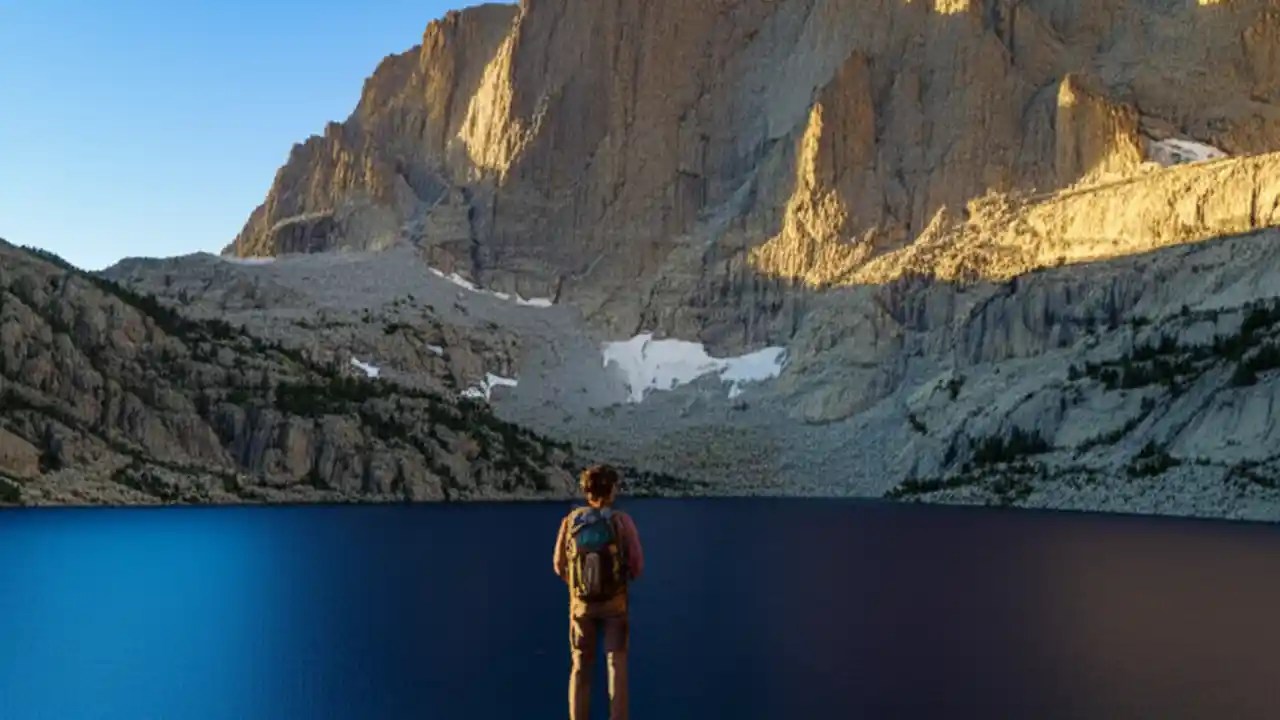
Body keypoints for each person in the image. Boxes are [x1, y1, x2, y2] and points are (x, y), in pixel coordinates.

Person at [553, 464, 644, 720]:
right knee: (616, 664)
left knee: (581, 666)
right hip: (615, 604)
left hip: (581, 606)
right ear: (612, 490)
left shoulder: (570, 521)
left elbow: (558, 565)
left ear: (587, 491)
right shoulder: (621, 521)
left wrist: (579, 586)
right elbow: (637, 565)